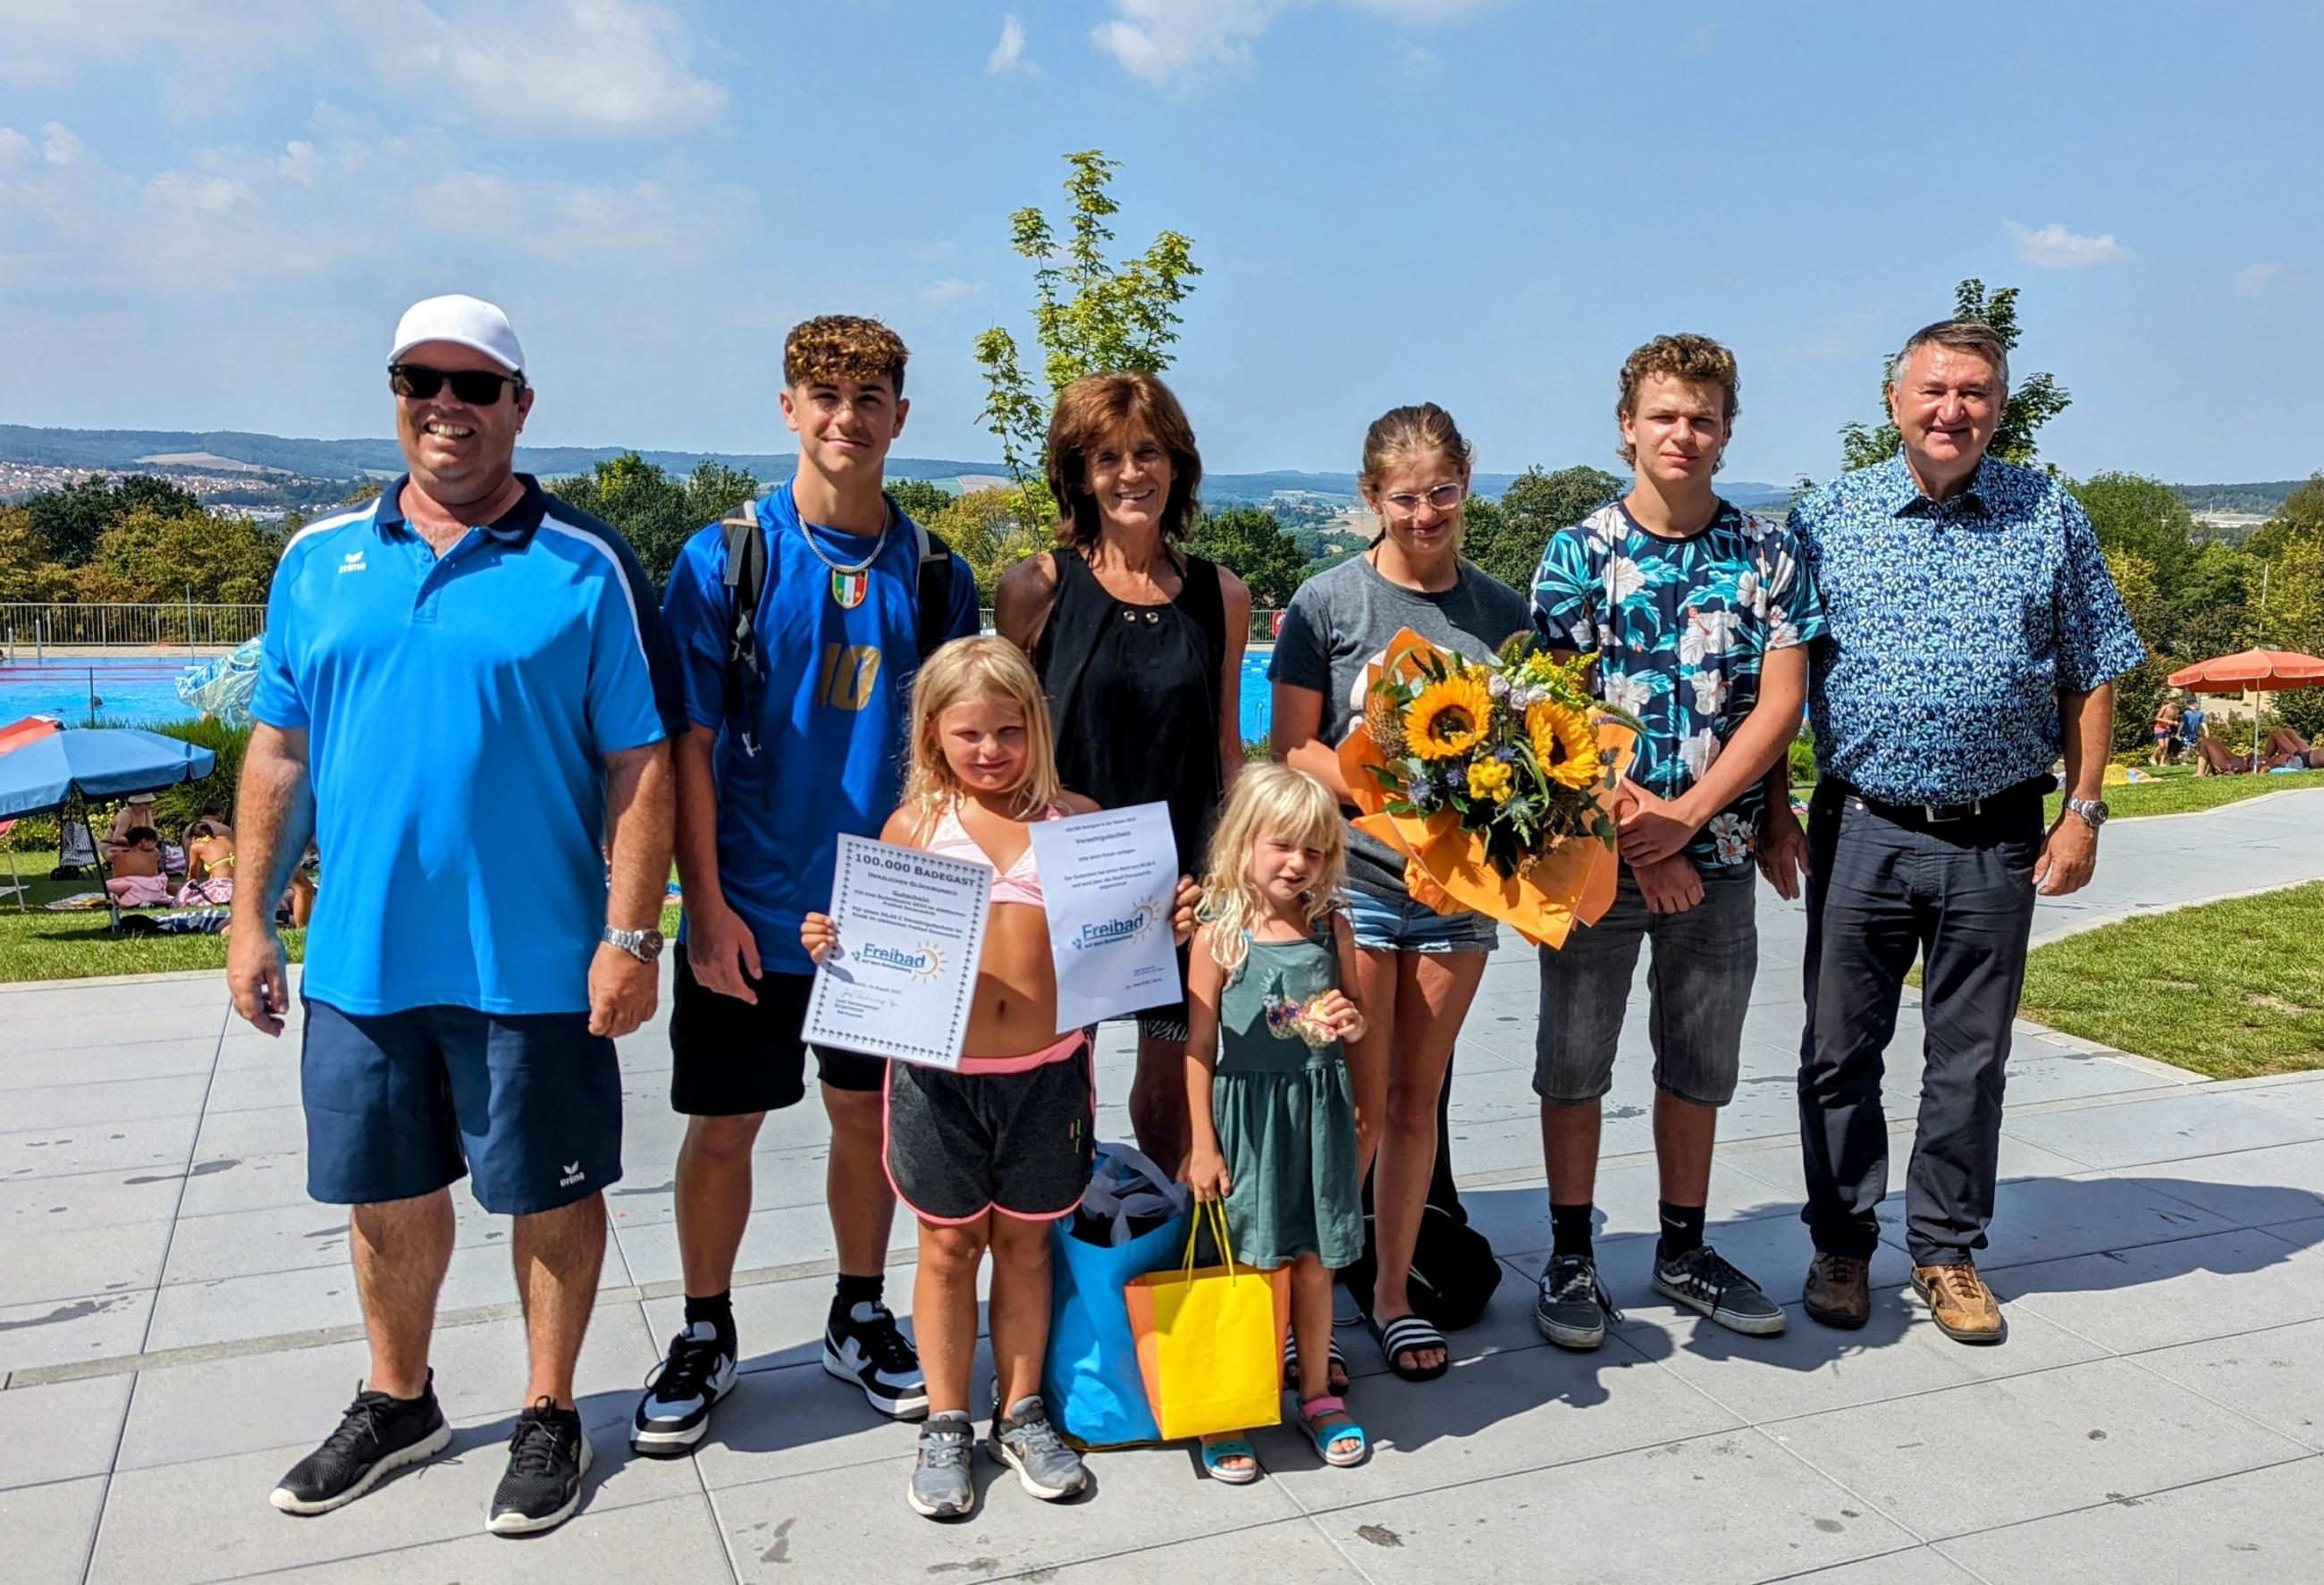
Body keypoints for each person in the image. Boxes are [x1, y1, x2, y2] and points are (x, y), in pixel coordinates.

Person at [227, 294, 678, 1535]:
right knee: (387, 1194)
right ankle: (398, 1398)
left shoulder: (584, 568)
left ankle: (547, 1411)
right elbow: (278, 752)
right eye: (420, 378)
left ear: (520, 407)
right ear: (395, 394)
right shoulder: (319, 561)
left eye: (475, 386)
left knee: (549, 1192)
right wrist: (250, 917)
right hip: (363, 963)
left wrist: (631, 936)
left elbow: (641, 765)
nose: (446, 404)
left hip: (534, 960)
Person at [637, 316, 979, 1454]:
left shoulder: (934, 576)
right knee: (724, 1123)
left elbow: (956, 751)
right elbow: (685, 744)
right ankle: (702, 1328)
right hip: (751, 905)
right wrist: (705, 908)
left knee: (866, 1121)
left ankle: (857, 1309)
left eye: (869, 396)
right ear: (788, 406)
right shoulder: (725, 558)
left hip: (883, 908)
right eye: (823, 395)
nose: (846, 416)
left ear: (899, 417)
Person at [1764, 318, 2143, 1345]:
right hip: (1862, 826)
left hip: (1997, 835)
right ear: (1891, 403)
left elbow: (2091, 666)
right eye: (1932, 390)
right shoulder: (1827, 518)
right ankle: (1841, 1243)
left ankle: (1944, 1251)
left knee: (1967, 1057)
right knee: (1837, 1051)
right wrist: (1769, 809)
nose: (1951, 410)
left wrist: (2084, 808)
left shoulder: (2044, 512)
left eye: (1972, 392)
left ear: (1999, 407)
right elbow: (1777, 679)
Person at [1528, 334, 1823, 1349]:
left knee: (1698, 1062)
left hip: (1721, 852)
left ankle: (1681, 1247)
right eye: (1663, 415)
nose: (1682, 435)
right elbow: (1549, 715)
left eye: (1701, 418)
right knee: (1571, 1059)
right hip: (1590, 856)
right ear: (1626, 426)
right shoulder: (1577, 555)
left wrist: (1690, 824)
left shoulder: (1770, 553)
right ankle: (1570, 1255)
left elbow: (1776, 705)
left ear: (1726, 430)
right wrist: (1634, 841)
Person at [802, 638, 1105, 1520]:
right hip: (938, 1081)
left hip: (1047, 1076)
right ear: (931, 735)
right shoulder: (913, 828)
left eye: (1009, 732)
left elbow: (1113, 948)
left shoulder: (1075, 824)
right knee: (944, 1249)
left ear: (1035, 729)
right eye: (968, 734)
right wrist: (832, 944)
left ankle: (1020, 1411)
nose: (989, 751)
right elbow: (879, 947)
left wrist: (1160, 919)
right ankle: (945, 1419)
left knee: (1023, 1247)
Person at [1269, 403, 1531, 1383]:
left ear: (1467, 483)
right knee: (1355, 1105)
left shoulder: (1501, 615)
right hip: (1357, 888)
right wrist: (1385, 791)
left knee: (1416, 1104)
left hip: (1457, 899)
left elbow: (1528, 760)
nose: (1425, 514)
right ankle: (1311, 1308)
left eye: (1442, 493)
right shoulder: (1327, 603)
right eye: (1403, 497)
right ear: (1370, 498)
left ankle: (1389, 1297)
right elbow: (1289, 747)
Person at [997, 372, 1251, 1172]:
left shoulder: (1221, 594)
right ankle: (1056, 1270)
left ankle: (1176, 1263)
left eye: (1148, 451)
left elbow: (1226, 747)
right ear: (1076, 473)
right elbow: (1006, 748)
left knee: (1174, 1092)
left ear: (1178, 465)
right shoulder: (1035, 588)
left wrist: (1231, 872)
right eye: (1107, 456)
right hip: (1063, 885)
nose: (1131, 472)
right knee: (1051, 1086)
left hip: (1180, 891)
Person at [1182, 765, 1370, 1480]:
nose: (1298, 863)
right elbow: (1198, 1047)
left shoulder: (1330, 922)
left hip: (1316, 1110)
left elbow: (1352, 1012)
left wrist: (1349, 1022)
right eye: (1282, 846)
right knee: (1254, 1267)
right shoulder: (1219, 933)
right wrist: (1202, 1142)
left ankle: (1316, 1392)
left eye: (1315, 850)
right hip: (1249, 1119)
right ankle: (1235, 1402)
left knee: (1315, 1261)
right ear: (1243, 843)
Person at [105, 825, 173, 906]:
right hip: (147, 887)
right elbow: (157, 851)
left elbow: (109, 852)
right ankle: (140, 901)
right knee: (155, 884)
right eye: (154, 843)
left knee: (112, 878)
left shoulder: (118, 854)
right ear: (144, 842)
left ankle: (123, 898)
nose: (155, 846)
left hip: (123, 885)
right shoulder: (153, 853)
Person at [181, 814, 236, 905]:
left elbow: (192, 878)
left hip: (222, 888)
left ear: (194, 838)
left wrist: (184, 892)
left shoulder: (196, 847)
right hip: (238, 885)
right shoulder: (224, 838)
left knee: (181, 896)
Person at [2150, 696, 2182, 767]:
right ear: (2169, 700)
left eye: (2176, 700)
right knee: (2162, 745)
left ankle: (2162, 763)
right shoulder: (2165, 707)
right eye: (2173, 700)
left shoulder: (2177, 710)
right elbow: (2157, 718)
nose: (2175, 701)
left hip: (2167, 729)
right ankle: (2153, 757)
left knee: (2166, 746)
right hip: (2159, 728)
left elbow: (2175, 719)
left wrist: (2175, 722)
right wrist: (2167, 721)